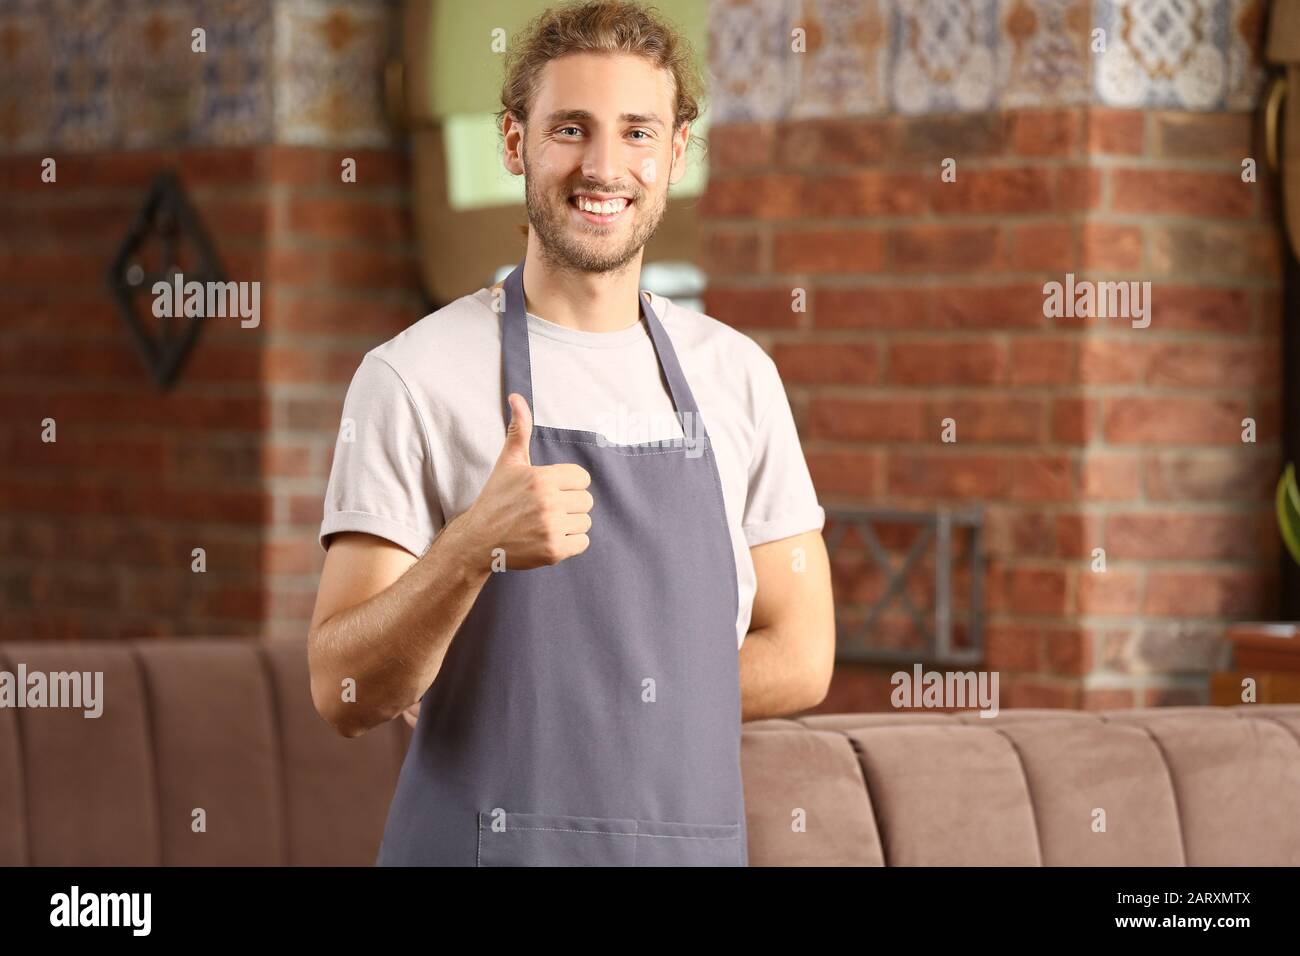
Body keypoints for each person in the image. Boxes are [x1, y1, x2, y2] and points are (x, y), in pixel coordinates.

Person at [307, 0, 834, 866]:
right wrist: (471, 547)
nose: (603, 166)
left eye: (636, 132)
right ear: (515, 143)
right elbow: (343, 690)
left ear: (676, 150)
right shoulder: (411, 377)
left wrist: (613, 705)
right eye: (571, 129)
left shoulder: (737, 376)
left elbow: (804, 654)